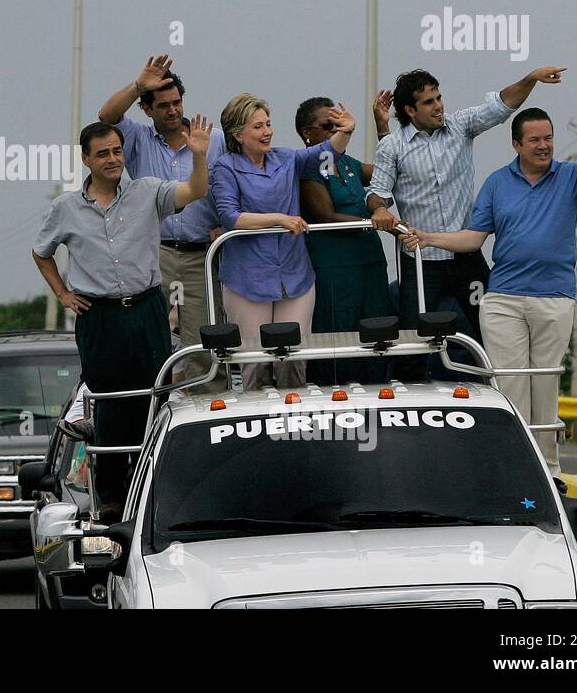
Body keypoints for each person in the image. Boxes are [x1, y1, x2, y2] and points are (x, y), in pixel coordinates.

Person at [405, 106, 577, 477]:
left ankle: (549, 474)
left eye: (549, 138)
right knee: (510, 389)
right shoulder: (497, 183)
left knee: (544, 387)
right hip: (504, 300)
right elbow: (474, 238)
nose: (544, 146)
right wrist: (429, 237)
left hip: (554, 299)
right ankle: (513, 471)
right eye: (535, 140)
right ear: (517, 144)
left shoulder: (571, 176)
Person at [32, 116, 213, 517]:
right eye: (103, 154)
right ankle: (112, 499)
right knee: (109, 404)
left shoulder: (147, 191)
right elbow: (41, 252)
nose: (112, 159)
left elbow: (196, 190)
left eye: (117, 151)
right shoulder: (65, 207)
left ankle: (154, 494)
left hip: (146, 309)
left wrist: (199, 155)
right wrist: (62, 293)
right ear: (86, 159)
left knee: (153, 396)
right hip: (99, 316)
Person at [366, 67, 566, 358]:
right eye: (429, 102)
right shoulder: (392, 147)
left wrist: (531, 78)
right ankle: (415, 393)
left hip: (466, 257)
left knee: (492, 330)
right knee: (412, 342)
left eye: (439, 97)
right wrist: (381, 209)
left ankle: (499, 392)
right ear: (410, 110)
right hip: (420, 261)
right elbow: (377, 193)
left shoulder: (460, 125)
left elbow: (501, 105)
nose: (438, 106)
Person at [212, 94, 355, 390]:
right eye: (257, 127)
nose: (267, 132)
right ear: (238, 135)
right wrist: (279, 219)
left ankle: (294, 428)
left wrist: (347, 132)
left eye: (268, 124)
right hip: (247, 280)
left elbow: (327, 153)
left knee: (294, 359)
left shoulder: (286, 158)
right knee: (255, 364)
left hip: (294, 276)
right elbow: (230, 217)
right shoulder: (226, 167)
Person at [97, 54, 227, 374]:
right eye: (164, 105)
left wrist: (226, 222)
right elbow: (107, 115)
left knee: (202, 340)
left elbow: (229, 186)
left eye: (177, 102)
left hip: (201, 255)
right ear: (146, 109)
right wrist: (139, 85)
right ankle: (153, 404)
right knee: (147, 334)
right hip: (153, 251)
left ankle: (201, 412)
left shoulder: (213, 139)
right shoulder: (137, 139)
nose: (172, 110)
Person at [296, 95, 395, 383]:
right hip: (334, 269)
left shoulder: (348, 163)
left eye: (339, 126)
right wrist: (373, 221)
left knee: (378, 333)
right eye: (328, 126)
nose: (335, 132)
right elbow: (325, 215)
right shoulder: (308, 167)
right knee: (339, 341)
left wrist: (382, 127)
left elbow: (389, 173)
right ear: (307, 132)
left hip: (370, 263)